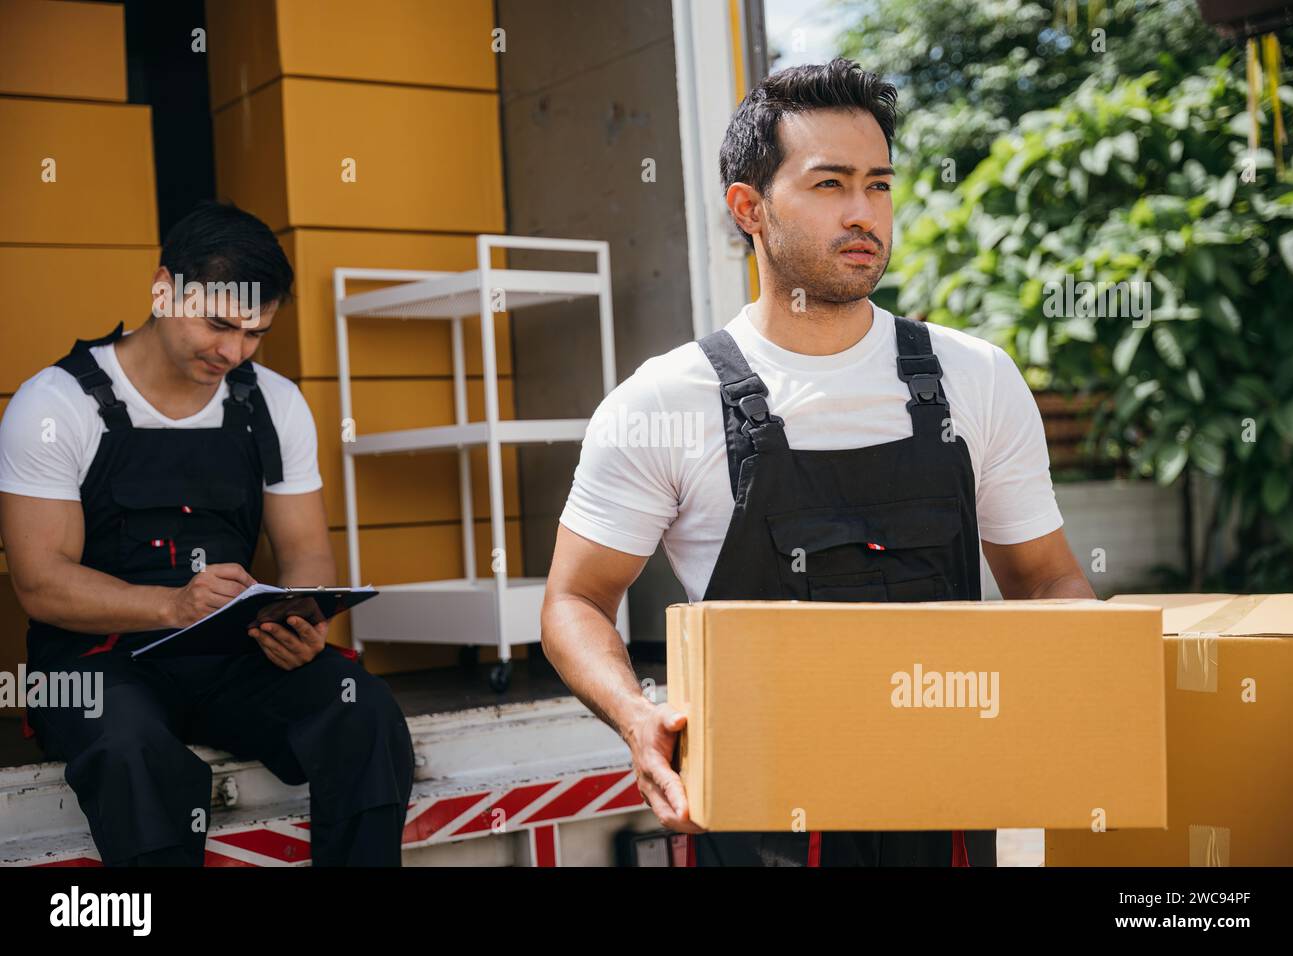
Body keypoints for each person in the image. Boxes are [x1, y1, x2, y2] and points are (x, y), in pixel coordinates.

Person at [540, 58, 1095, 867]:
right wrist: (636, 715)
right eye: (830, 185)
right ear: (749, 208)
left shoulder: (975, 377)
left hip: (944, 813)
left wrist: (1089, 684)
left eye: (879, 184)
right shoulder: (664, 401)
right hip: (758, 816)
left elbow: (1047, 579)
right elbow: (575, 600)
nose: (864, 213)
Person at [0, 201, 414, 866]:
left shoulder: (273, 403)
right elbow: (40, 582)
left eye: (254, 333)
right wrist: (171, 606)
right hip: (100, 666)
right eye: (219, 324)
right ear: (164, 290)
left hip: (233, 655)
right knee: (131, 747)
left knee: (361, 709)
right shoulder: (56, 403)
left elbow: (306, 549)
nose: (233, 351)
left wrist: (299, 617)